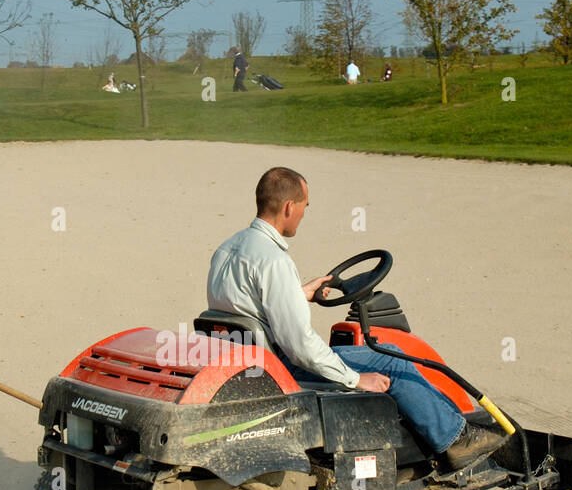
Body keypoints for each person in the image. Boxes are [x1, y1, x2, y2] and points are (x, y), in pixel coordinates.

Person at [206, 167, 508, 472]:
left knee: (386, 359)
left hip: (248, 364)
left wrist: (299, 294)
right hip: (284, 366)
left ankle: (445, 431)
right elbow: (300, 346)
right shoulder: (274, 261)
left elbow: (246, 306)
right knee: (394, 360)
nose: (302, 214)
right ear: (289, 207)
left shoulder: (227, 250)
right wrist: (355, 379)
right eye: (304, 207)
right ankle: (455, 441)